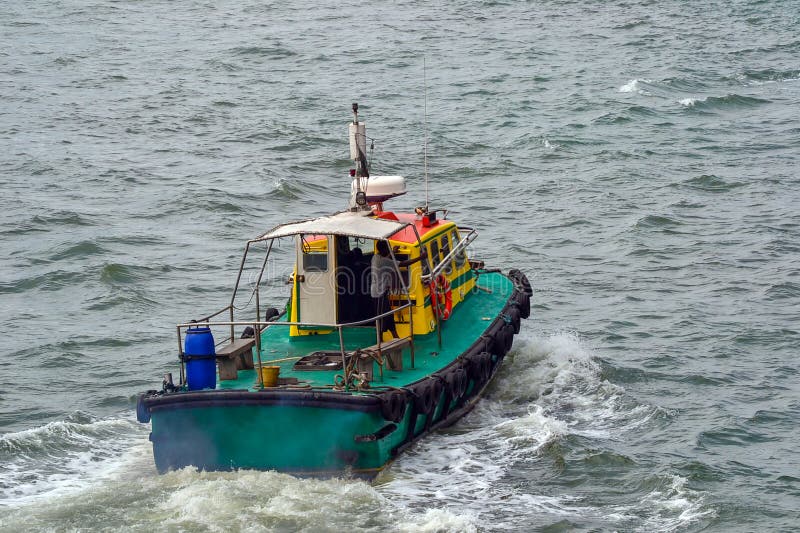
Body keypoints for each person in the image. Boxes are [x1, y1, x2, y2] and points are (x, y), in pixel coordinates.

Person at [370, 240, 426, 338]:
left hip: (380, 292)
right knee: (382, 318)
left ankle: (396, 337)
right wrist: (420, 257)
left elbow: (386, 259)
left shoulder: (375, 258)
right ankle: (380, 340)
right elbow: (404, 263)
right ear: (383, 249)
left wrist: (392, 252)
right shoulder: (383, 261)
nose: (388, 249)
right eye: (387, 248)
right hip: (379, 295)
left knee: (389, 316)